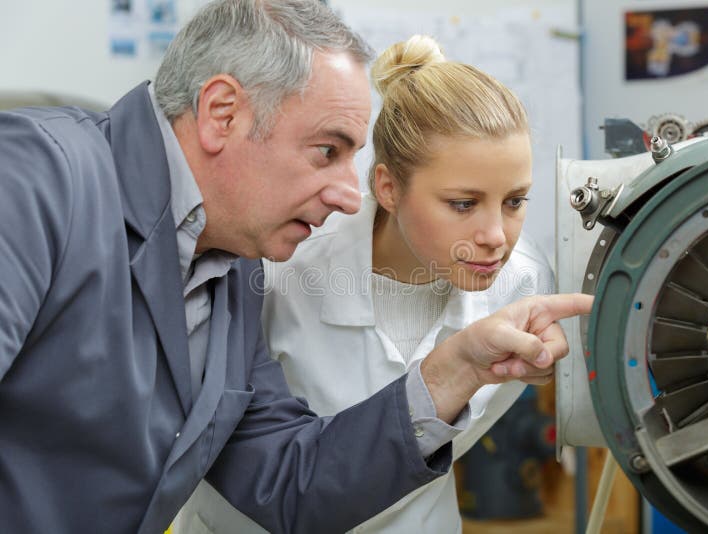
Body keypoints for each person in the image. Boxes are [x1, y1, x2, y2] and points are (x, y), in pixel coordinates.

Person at [0, 1, 592, 532]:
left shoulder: (230, 276)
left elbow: (288, 483)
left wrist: (456, 368)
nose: (350, 195)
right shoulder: (36, 181)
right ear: (222, 114)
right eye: (327, 151)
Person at [176, 35, 557, 533]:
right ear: (388, 188)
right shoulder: (281, 265)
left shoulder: (523, 283)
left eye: (514, 201)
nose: (494, 237)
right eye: (463, 204)